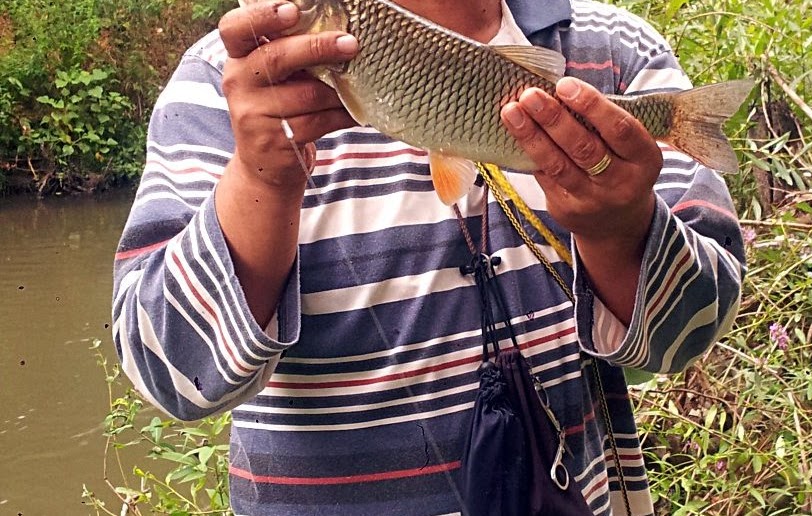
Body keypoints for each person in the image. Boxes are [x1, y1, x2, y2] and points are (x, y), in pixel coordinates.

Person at [111, 0, 745, 514]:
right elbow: (170, 375)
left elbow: (689, 337)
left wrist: (619, 230)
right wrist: (261, 180)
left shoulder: (617, 52)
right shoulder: (233, 80)